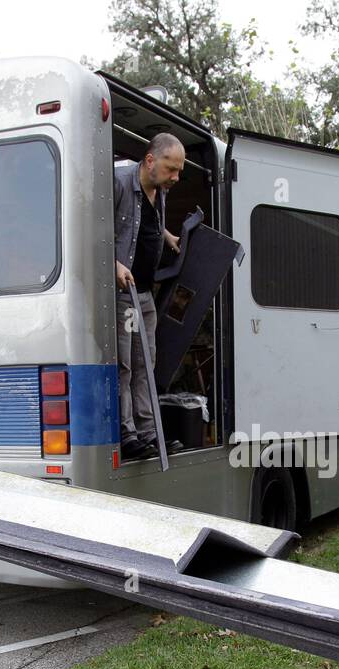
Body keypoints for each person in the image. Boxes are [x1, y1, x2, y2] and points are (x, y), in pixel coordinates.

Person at [114, 133, 185, 460]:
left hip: (144, 293)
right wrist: (113, 263)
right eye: (171, 169)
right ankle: (126, 434)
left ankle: (149, 433)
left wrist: (167, 235)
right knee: (125, 367)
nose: (176, 177)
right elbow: (92, 231)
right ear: (150, 160)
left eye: (179, 170)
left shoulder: (159, 189)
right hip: (122, 295)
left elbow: (143, 223)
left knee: (145, 365)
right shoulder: (118, 183)